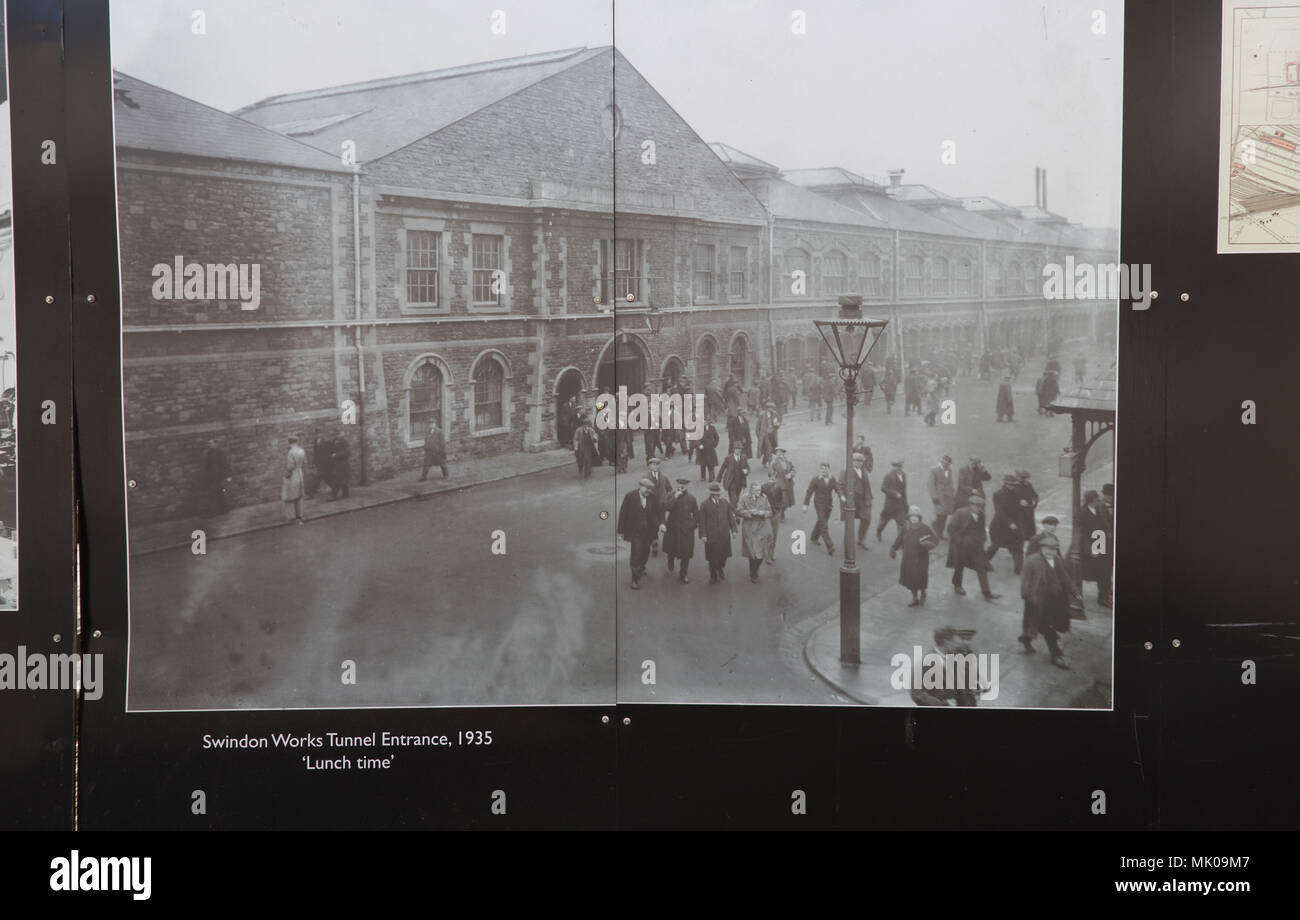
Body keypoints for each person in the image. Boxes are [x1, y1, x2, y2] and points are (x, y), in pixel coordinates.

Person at [1019, 532, 1080, 669]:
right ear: (1041, 548)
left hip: (1055, 600)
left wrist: (1075, 592)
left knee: (1039, 626)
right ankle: (1056, 656)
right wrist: (1028, 598)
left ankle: (1025, 638)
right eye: (1047, 549)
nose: (1050, 552)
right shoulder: (1032, 561)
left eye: (1053, 549)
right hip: (1037, 601)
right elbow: (1025, 582)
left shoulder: (1057, 560)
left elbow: (1065, 577)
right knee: (1047, 629)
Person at [910, 627, 983, 706]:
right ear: (946, 642)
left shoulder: (954, 659)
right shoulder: (924, 662)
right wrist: (942, 704)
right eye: (955, 642)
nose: (958, 645)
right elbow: (917, 694)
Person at [946, 495, 1000, 600]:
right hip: (961, 546)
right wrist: (960, 541)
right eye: (976, 506)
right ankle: (957, 585)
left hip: (976, 546)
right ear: (970, 505)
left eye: (980, 506)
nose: (978, 508)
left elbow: (982, 529)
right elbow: (951, 528)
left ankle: (986, 592)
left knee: (981, 568)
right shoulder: (960, 513)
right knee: (959, 567)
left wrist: (983, 539)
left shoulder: (981, 515)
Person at [617, 477, 663, 590]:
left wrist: (661, 524)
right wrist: (620, 532)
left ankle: (641, 567)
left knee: (645, 552)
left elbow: (658, 512)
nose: (649, 491)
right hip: (635, 531)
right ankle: (634, 579)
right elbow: (623, 514)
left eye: (650, 489)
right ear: (640, 487)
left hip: (648, 531)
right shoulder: (630, 496)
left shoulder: (652, 497)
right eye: (647, 488)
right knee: (636, 553)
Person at [891, 506, 939, 607]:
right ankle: (915, 598)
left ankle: (923, 592)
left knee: (919, 577)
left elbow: (935, 540)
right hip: (908, 557)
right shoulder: (906, 526)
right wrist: (893, 548)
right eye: (911, 516)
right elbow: (899, 538)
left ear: (919, 518)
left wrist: (928, 544)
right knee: (910, 579)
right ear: (908, 517)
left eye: (915, 516)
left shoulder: (925, 528)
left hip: (920, 559)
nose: (913, 518)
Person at [987, 473, 1025, 574]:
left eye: (1013, 485)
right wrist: (1010, 523)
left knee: (1018, 546)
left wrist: (1024, 504)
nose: (1012, 487)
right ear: (1005, 484)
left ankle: (1019, 568)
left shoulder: (1017, 492)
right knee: (995, 545)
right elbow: (1000, 512)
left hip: (1014, 525)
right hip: (999, 526)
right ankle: (983, 561)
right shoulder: (998, 494)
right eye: (1009, 485)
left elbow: (1018, 508)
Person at [698, 482, 736, 583]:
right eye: (716, 494)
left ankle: (720, 568)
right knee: (712, 557)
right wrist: (703, 535)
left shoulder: (725, 503)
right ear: (711, 494)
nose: (719, 495)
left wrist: (734, 530)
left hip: (724, 534)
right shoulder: (705, 505)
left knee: (724, 556)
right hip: (711, 536)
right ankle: (713, 575)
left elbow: (730, 517)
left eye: (720, 493)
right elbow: (701, 521)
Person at [1080, 489, 1113, 608]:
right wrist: (1091, 550)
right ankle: (1103, 598)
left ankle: (1104, 595)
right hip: (1095, 546)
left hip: (1101, 544)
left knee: (1105, 571)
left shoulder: (1096, 510)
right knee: (1102, 572)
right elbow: (1083, 534)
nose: (1099, 501)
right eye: (1097, 499)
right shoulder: (1084, 513)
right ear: (1092, 501)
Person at [662, 478, 698, 584]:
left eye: (684, 485)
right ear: (677, 484)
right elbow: (666, 507)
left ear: (688, 486)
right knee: (671, 548)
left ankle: (683, 574)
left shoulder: (692, 498)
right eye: (680, 484)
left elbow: (696, 513)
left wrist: (692, 525)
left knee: (686, 552)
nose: (682, 487)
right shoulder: (671, 495)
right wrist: (675, 497)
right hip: (673, 528)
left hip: (686, 529)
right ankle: (670, 558)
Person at [736, 480, 773, 582]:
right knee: (752, 553)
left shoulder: (764, 498)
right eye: (756, 490)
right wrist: (749, 512)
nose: (758, 492)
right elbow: (738, 511)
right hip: (749, 528)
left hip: (762, 527)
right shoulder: (744, 498)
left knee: (760, 554)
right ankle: (753, 574)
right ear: (751, 490)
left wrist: (762, 513)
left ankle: (755, 569)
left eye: (759, 490)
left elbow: (770, 511)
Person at [803, 462, 839, 556]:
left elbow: (837, 488)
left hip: (828, 504)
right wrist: (805, 504)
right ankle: (830, 546)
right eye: (822, 469)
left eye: (826, 469)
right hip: (819, 504)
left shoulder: (832, 478)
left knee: (821, 521)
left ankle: (814, 537)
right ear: (820, 470)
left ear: (828, 470)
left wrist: (841, 496)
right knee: (824, 524)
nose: (824, 470)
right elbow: (809, 492)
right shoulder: (815, 479)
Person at [840, 451, 873, 550]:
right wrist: (842, 496)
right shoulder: (845, 471)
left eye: (861, 461)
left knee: (867, 519)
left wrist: (869, 498)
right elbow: (840, 485)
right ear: (852, 461)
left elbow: (867, 485)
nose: (859, 463)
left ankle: (861, 539)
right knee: (849, 522)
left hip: (863, 500)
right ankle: (847, 541)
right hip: (851, 501)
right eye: (857, 461)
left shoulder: (863, 470)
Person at [646, 457, 673, 556]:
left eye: (657, 465)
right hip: (650, 506)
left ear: (659, 466)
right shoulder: (645, 477)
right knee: (653, 524)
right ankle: (654, 542)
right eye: (653, 464)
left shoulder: (664, 478)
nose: (655, 466)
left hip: (662, 506)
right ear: (649, 466)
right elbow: (642, 490)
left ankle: (660, 541)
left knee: (661, 523)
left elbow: (670, 489)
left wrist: (667, 498)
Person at [877, 459, 908, 543]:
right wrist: (895, 493)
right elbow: (883, 488)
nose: (899, 468)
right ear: (894, 467)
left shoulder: (904, 475)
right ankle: (879, 531)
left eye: (901, 466)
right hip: (890, 505)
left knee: (901, 523)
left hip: (901, 505)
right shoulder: (889, 476)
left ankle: (900, 542)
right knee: (883, 522)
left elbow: (904, 491)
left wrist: (906, 504)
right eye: (897, 466)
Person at [760, 468, 785, 565]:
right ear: (770, 477)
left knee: (775, 534)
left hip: (776, 514)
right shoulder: (763, 487)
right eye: (772, 477)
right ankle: (767, 555)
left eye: (775, 477)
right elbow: (760, 500)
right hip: (767, 515)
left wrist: (779, 510)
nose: (774, 479)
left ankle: (772, 552)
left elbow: (781, 499)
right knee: (769, 534)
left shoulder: (778, 487)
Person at [927, 454, 955, 540]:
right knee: (940, 514)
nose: (947, 465)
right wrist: (934, 496)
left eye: (948, 464)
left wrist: (952, 492)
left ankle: (939, 531)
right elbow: (930, 484)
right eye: (946, 463)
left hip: (948, 497)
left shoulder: (949, 470)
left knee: (945, 515)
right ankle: (937, 531)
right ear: (942, 462)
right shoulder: (934, 470)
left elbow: (950, 482)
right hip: (939, 496)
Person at [200, 438, 231, 515]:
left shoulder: (221, 453)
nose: (210, 445)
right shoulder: (208, 454)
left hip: (220, 477)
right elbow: (206, 466)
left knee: (222, 492)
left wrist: (227, 476)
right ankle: (214, 511)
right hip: (212, 477)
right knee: (213, 493)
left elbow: (225, 465)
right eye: (209, 444)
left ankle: (224, 510)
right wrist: (207, 475)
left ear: (216, 444)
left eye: (211, 443)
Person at [282, 436, 306, 523]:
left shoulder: (290, 452)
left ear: (289, 442)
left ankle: (291, 516)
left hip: (292, 475)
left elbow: (290, 466)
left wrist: (286, 472)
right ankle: (300, 514)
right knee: (299, 495)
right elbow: (304, 462)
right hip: (300, 473)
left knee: (290, 495)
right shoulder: (301, 450)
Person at [769, 446, 796, 522]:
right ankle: (781, 514)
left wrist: (791, 474)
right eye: (777, 452)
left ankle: (782, 511)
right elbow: (770, 473)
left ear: (784, 453)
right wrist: (773, 475)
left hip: (788, 483)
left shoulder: (788, 461)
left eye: (781, 452)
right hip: (779, 483)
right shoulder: (774, 462)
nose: (779, 454)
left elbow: (793, 469)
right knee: (782, 499)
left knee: (786, 500)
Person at [572, 412, 600, 479]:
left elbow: (596, 437)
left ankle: (587, 471)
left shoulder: (591, 430)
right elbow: (575, 439)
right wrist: (575, 447)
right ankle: (581, 468)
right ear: (583, 425)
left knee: (588, 459)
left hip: (590, 446)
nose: (586, 426)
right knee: (581, 459)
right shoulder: (578, 430)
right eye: (585, 424)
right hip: (582, 446)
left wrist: (595, 439)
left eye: (587, 424)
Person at [697, 416, 720, 481]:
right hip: (702, 449)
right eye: (703, 421)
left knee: (711, 463)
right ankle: (703, 476)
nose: (704, 422)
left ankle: (711, 476)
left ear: (708, 422)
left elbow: (717, 437)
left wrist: (714, 445)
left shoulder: (712, 428)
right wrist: (699, 445)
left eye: (706, 421)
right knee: (703, 463)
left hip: (710, 449)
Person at [329, 432, 350, 500]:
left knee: (338, 479)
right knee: (342, 479)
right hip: (336, 463)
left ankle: (333, 496)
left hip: (343, 463)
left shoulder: (345, 442)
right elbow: (332, 451)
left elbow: (347, 452)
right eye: (334, 435)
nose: (335, 436)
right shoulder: (334, 442)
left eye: (337, 434)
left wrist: (336, 455)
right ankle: (346, 494)